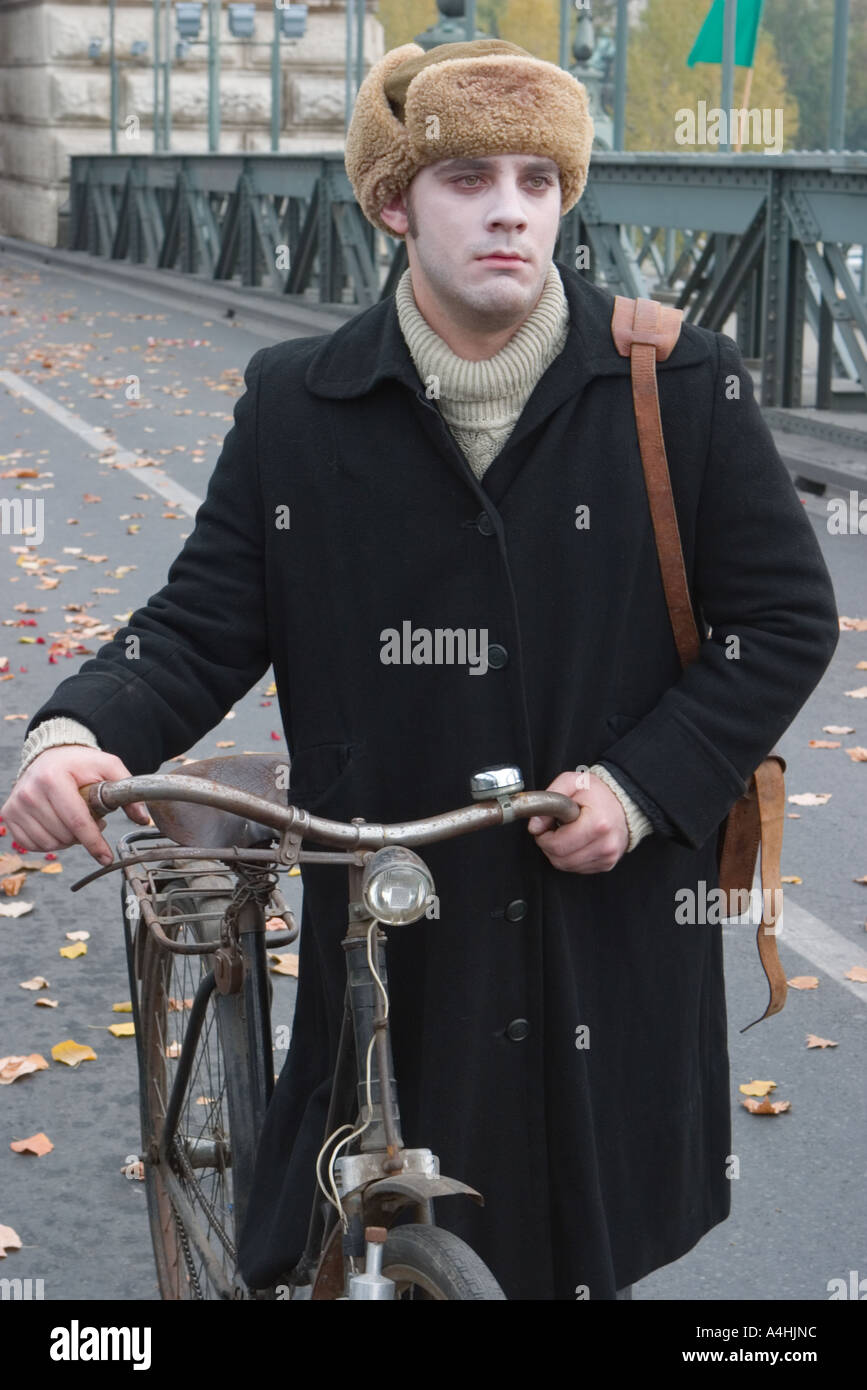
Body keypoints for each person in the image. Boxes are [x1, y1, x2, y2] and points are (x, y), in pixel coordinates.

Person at [2, 39, 839, 1300]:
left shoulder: (676, 383)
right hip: (395, 916)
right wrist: (74, 731)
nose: (511, 210)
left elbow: (781, 618)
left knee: (582, 1241)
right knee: (371, 1214)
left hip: (600, 913)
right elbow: (201, 623)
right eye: (466, 178)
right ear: (393, 202)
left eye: (538, 180)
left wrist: (640, 787)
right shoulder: (298, 403)